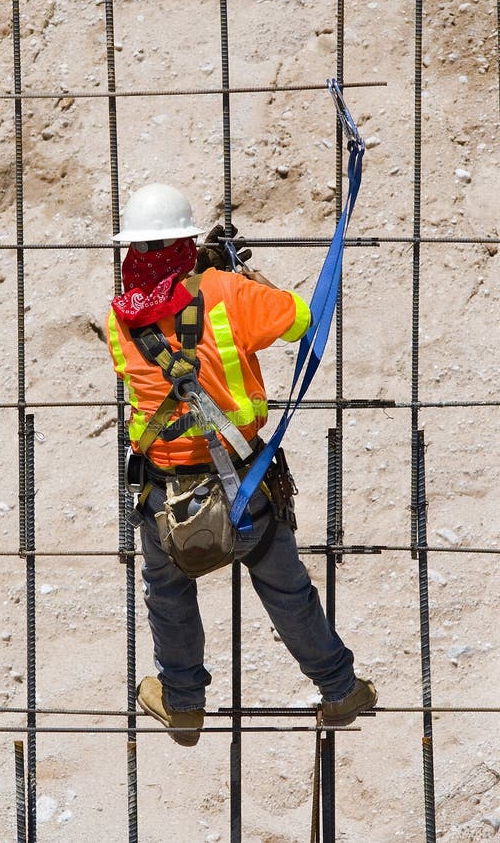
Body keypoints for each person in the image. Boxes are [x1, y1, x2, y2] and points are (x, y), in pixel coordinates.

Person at [106, 182, 377, 747]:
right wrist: (243, 276)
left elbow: (168, 333)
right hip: (243, 479)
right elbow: (301, 319)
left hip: (166, 492)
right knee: (287, 589)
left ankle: (183, 705)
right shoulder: (230, 293)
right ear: (186, 241)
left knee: (167, 589)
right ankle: (339, 688)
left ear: (131, 251)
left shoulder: (119, 318)